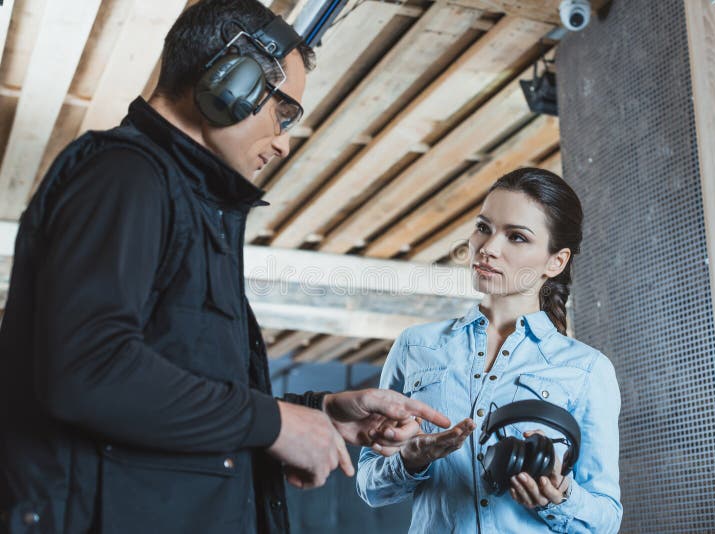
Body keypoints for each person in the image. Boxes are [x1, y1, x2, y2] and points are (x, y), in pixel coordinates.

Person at [0, 1, 449, 533]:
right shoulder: (124, 176)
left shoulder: (186, 201)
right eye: (282, 113)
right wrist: (274, 421)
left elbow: (174, 390)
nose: (283, 142)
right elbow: (87, 369)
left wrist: (317, 411)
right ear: (230, 82)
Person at [356, 168, 623, 533]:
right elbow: (370, 486)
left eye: (516, 237)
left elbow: (606, 519)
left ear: (555, 262)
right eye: (484, 227)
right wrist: (410, 461)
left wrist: (561, 498)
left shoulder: (588, 370)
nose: (488, 248)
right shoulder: (415, 347)